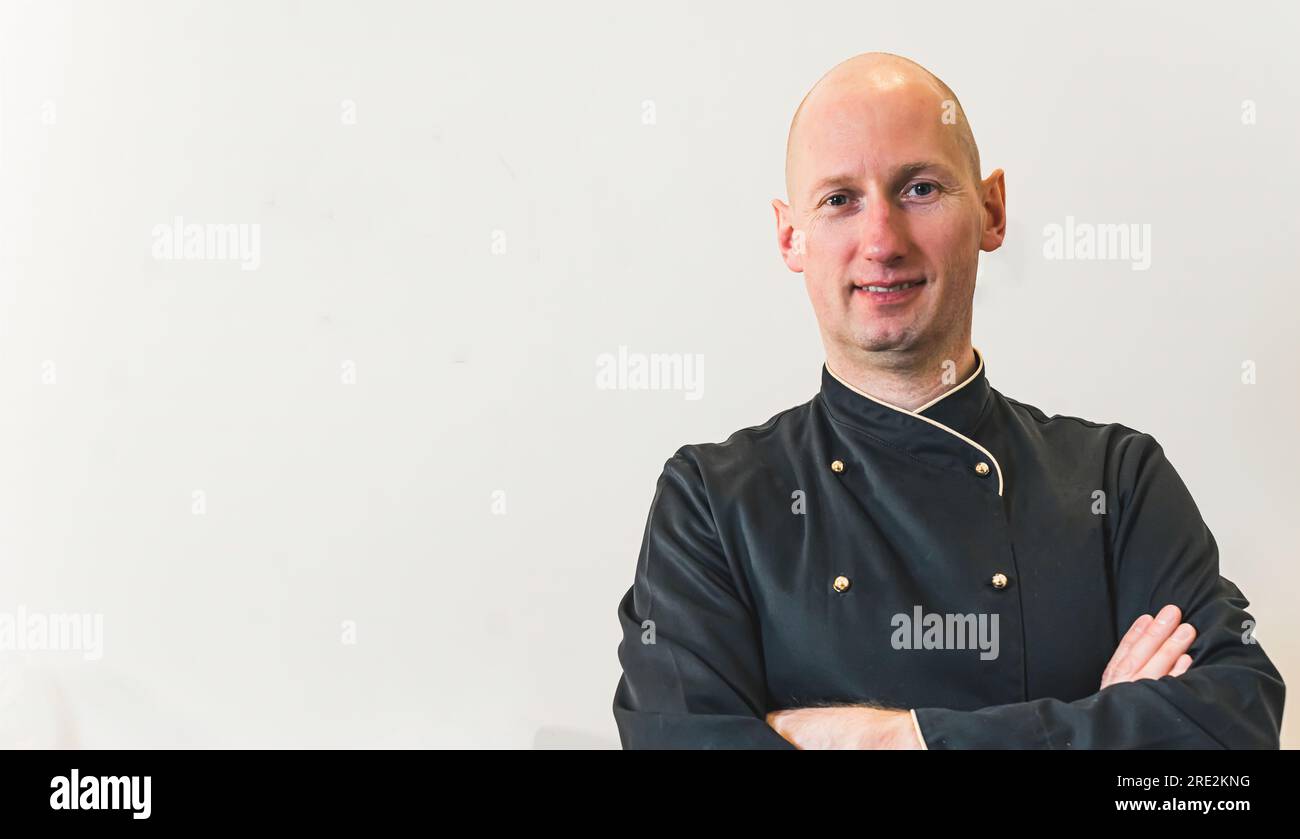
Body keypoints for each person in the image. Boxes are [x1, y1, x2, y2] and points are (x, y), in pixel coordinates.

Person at [611, 52, 1285, 749]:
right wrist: (1098, 727)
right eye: (840, 200)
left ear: (992, 210)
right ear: (792, 237)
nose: (881, 241)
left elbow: (1224, 751)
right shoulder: (712, 505)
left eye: (920, 188)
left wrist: (895, 739)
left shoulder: (1116, 480)